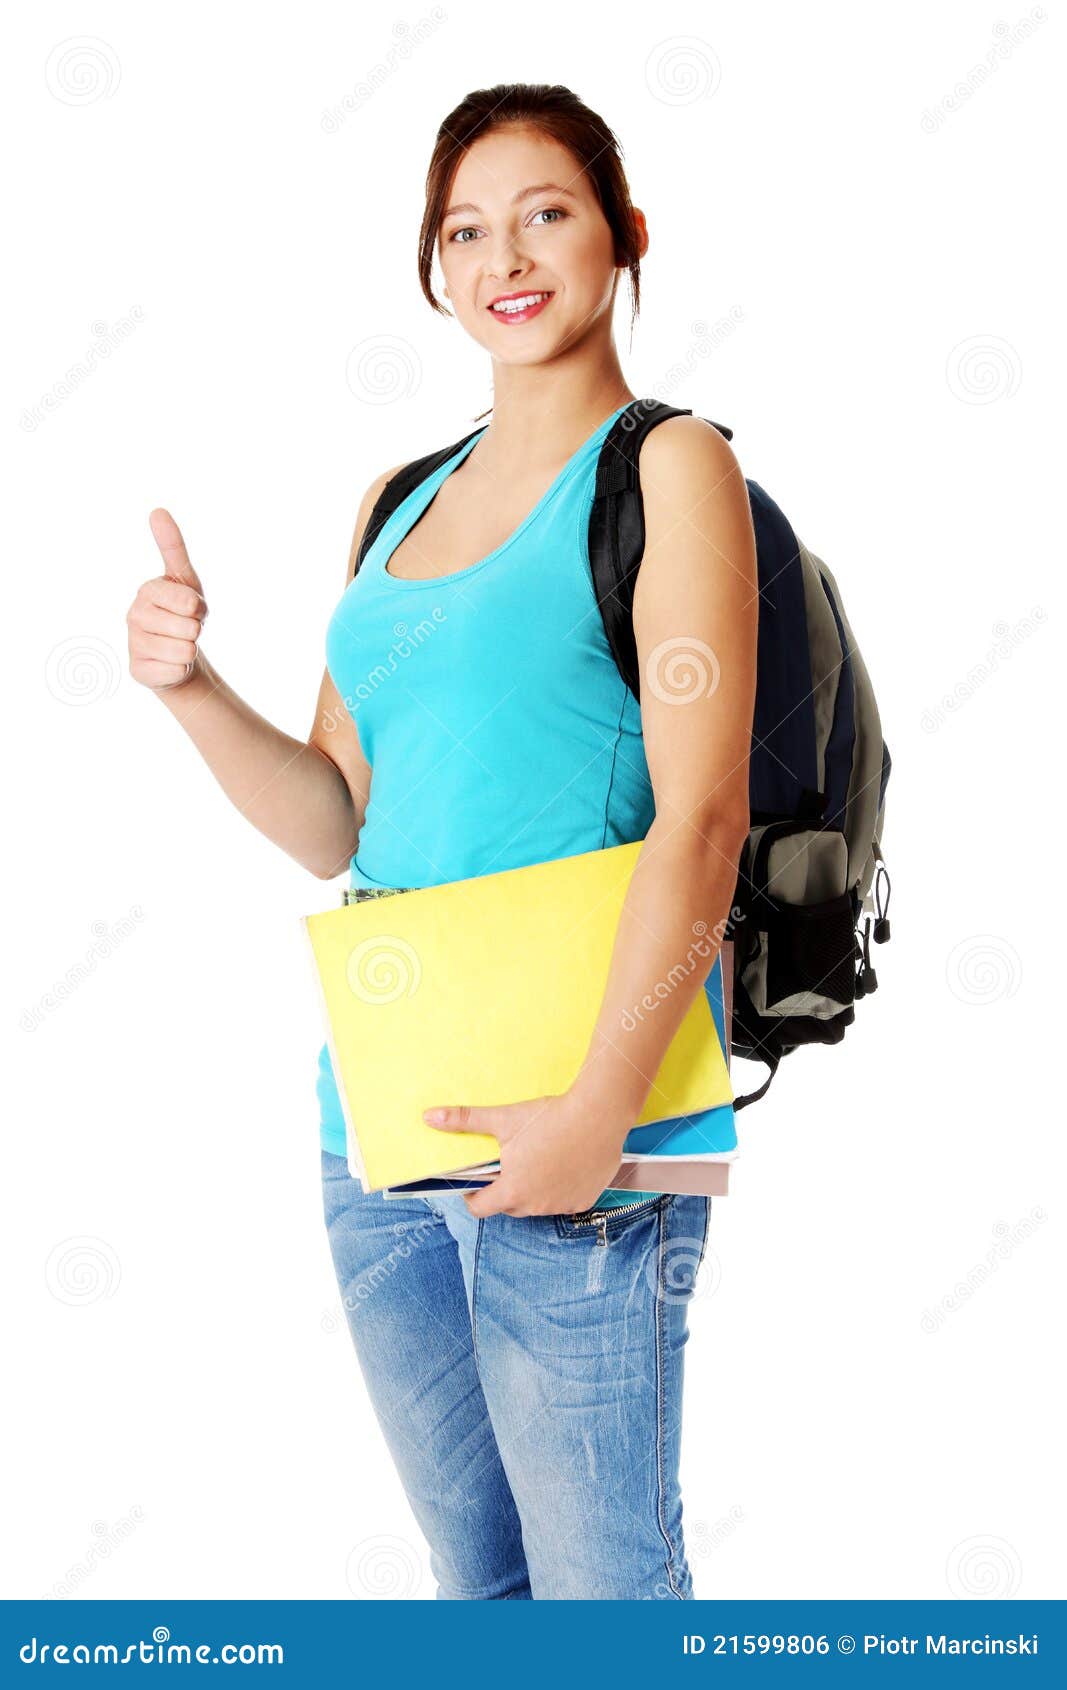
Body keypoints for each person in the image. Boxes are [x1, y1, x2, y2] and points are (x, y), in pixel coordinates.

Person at [126, 82, 758, 1600]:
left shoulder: (667, 469)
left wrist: (599, 1114)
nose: (506, 255)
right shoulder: (395, 503)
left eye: (546, 210)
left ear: (624, 234)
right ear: (437, 270)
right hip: (377, 1119)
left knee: (606, 1592)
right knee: (475, 1584)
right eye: (465, 230)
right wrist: (191, 687)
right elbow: (333, 817)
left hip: (585, 1118)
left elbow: (705, 817)